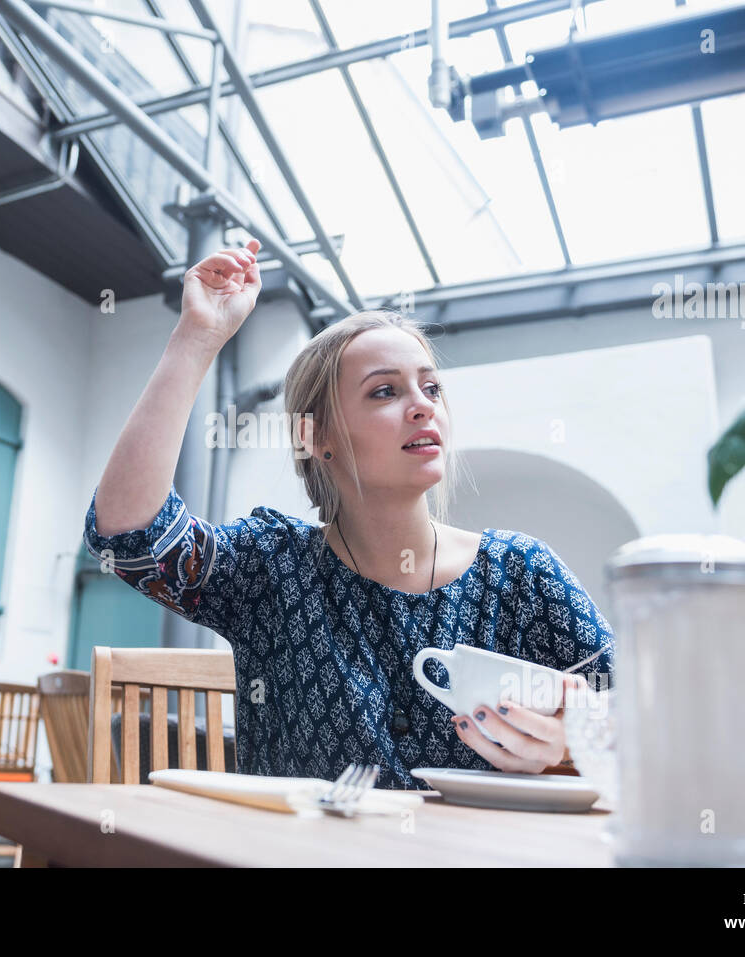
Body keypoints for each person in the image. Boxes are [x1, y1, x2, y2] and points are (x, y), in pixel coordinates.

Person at [83, 238, 614, 789]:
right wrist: (197, 338)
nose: (423, 404)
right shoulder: (272, 567)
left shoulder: (522, 573)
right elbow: (128, 534)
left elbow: (640, 719)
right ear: (318, 437)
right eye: (385, 391)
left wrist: (569, 744)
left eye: (431, 387)